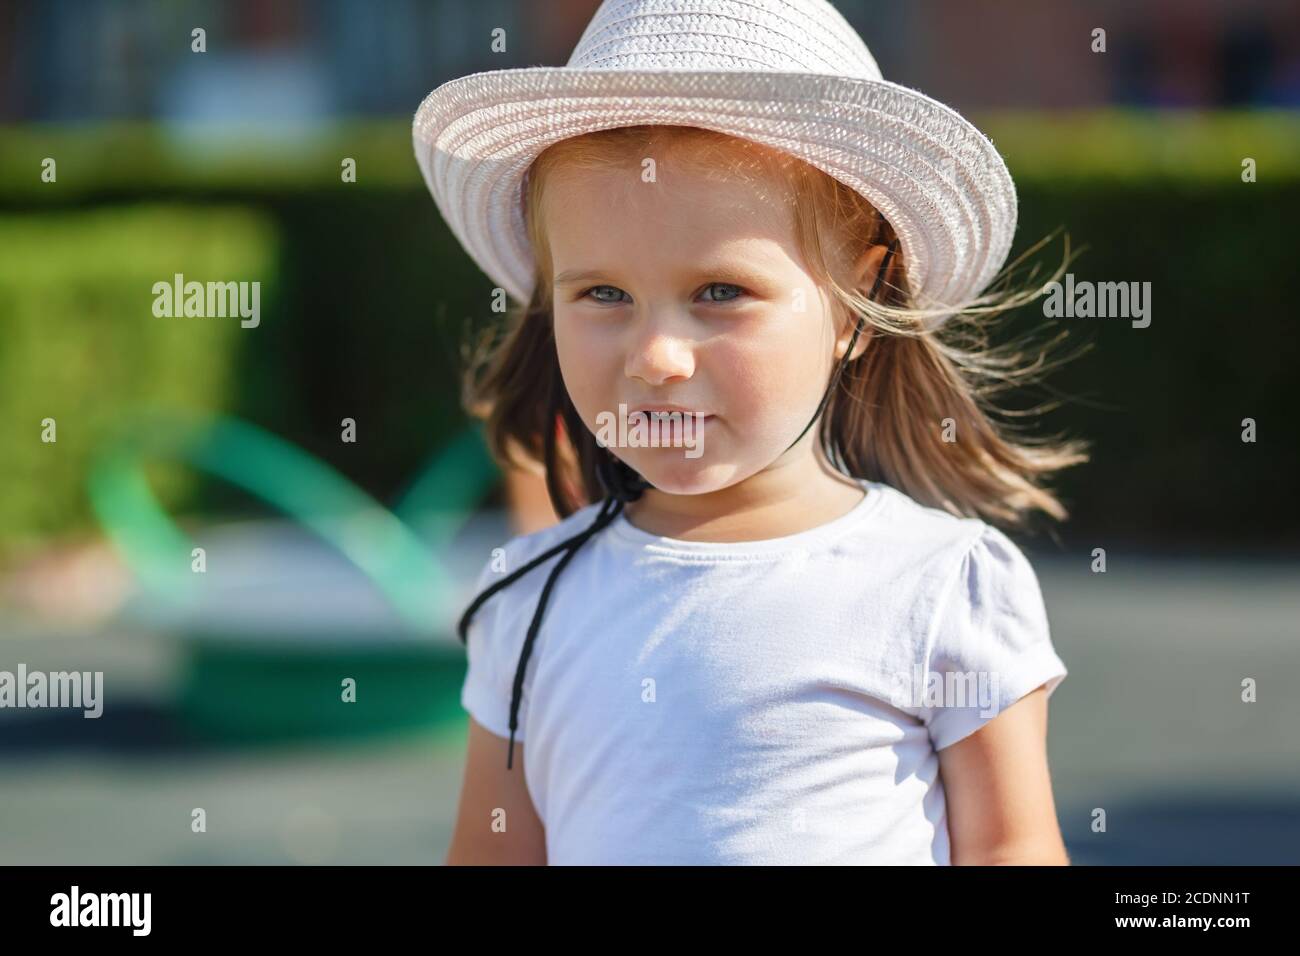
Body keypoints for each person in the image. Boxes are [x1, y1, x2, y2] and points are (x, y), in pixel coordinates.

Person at [414, 0, 1088, 864]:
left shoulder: (940, 586)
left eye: (720, 293)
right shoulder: (528, 598)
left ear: (857, 306)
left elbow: (1012, 850)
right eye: (603, 295)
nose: (655, 356)